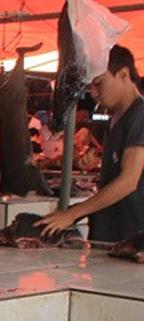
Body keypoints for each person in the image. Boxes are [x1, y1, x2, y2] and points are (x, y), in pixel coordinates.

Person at [39, 46, 144, 242]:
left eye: (99, 84)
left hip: (133, 235)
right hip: (110, 233)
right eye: (90, 87)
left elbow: (129, 181)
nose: (94, 93)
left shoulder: (140, 115)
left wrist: (72, 214)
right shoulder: (114, 118)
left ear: (123, 74)